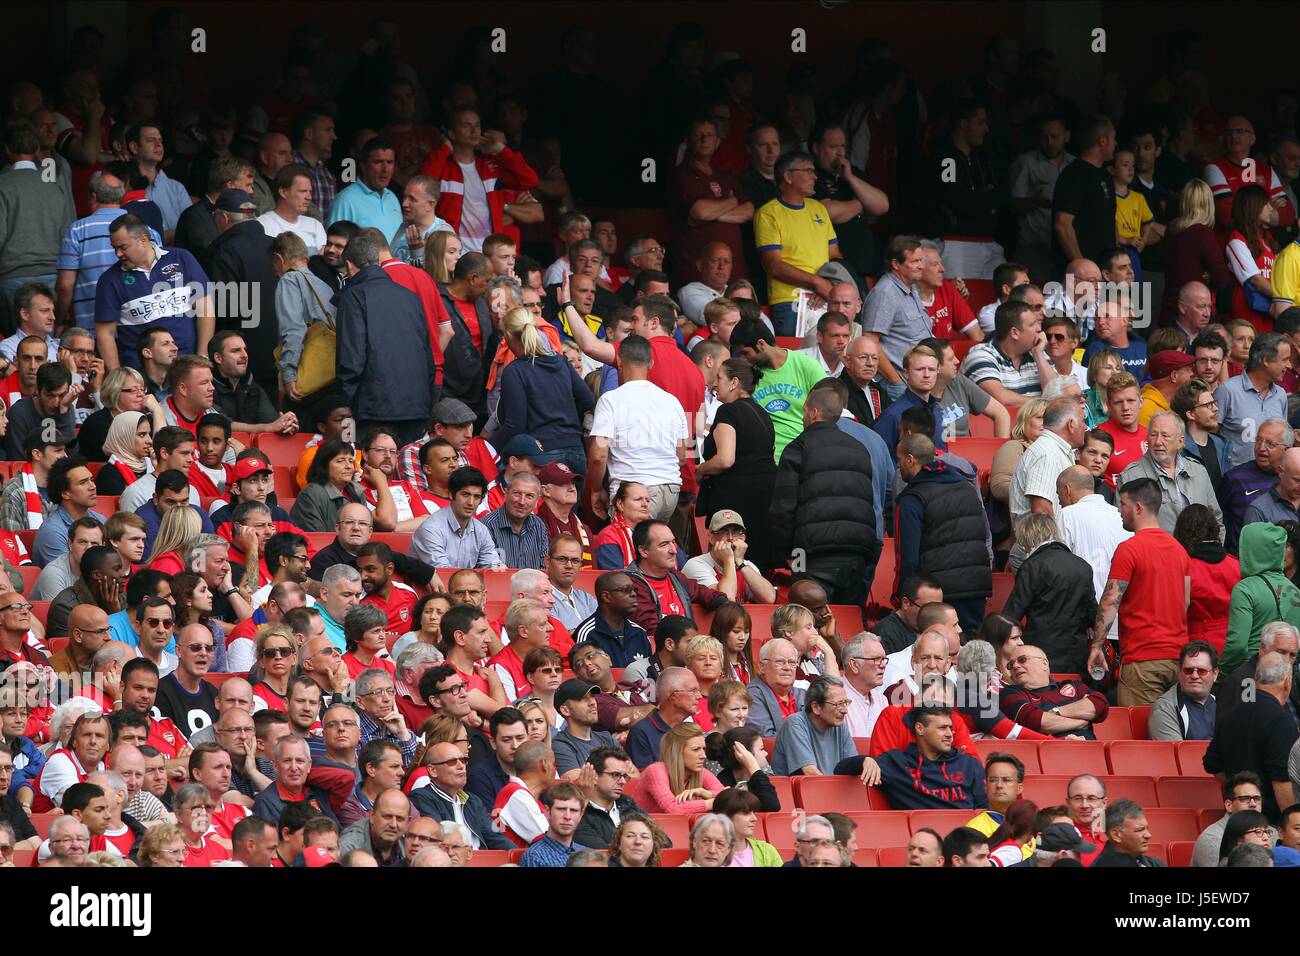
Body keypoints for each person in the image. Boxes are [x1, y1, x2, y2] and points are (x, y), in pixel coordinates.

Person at [771, 385, 878, 607]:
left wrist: (789, 554)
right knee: (847, 623)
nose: (803, 418)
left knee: (807, 621)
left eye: (804, 412)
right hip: (857, 553)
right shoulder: (859, 449)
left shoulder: (798, 447)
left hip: (810, 554)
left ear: (813, 413)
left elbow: (783, 507)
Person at [1092, 478, 1191, 705]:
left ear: (1138, 507)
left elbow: (1110, 601)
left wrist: (1097, 645)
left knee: (1139, 736)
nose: (1119, 510)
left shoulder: (1129, 550)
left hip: (1142, 660)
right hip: (1178, 659)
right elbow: (1185, 602)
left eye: (1123, 504)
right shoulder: (1180, 550)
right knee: (1170, 733)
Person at [334, 231, 436, 444]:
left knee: (371, 471)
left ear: (350, 265)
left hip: (373, 409)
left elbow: (352, 357)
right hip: (415, 405)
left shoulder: (353, 295)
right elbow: (427, 354)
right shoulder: (409, 296)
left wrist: (348, 401)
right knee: (408, 474)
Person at [895, 432, 992, 631]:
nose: (898, 466)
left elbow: (909, 557)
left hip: (937, 594)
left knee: (937, 652)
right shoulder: (966, 488)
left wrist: (903, 595)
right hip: (976, 586)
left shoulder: (912, 499)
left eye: (899, 460)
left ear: (910, 459)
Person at [1204, 652, 1299, 820]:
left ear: (1256, 678)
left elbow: (1212, 764)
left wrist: (1242, 792)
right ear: (1287, 681)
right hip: (1271, 825)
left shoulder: (1231, 714)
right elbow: (1282, 781)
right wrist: (1292, 826)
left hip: (1238, 819)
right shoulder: (1282, 720)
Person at [730, 316, 826, 461]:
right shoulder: (749, 376)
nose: (743, 359)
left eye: (745, 353)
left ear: (761, 344)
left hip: (806, 455)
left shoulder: (806, 365)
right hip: (767, 459)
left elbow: (827, 410)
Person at [854, 705, 986, 810]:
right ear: (920, 729)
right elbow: (841, 767)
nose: (949, 734)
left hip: (966, 837)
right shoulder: (897, 763)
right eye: (942, 728)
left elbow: (985, 809)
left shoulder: (969, 764)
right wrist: (865, 760)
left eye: (950, 728)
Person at [623, 520, 732, 637]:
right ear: (644, 551)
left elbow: (705, 594)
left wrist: (726, 605)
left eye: (673, 542)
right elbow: (653, 632)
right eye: (664, 544)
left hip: (687, 648)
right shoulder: (630, 584)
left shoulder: (676, 577)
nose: (673, 550)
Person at [1118, 412, 1222, 535]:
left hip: (1200, 553)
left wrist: (1211, 552)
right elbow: (1122, 529)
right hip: (1156, 553)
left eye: (1165, 436)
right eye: (1153, 435)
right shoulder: (1131, 476)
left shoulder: (1198, 471)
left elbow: (1216, 520)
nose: (1157, 442)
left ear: (1181, 442)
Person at [1223, 523, 1300, 680]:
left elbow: (1237, 645)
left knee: (1248, 704)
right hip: (1285, 677)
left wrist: (1220, 675)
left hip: (1250, 679)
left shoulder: (1245, 589)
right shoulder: (1295, 591)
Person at [1171, 505, 1238, 655]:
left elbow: (1178, 613)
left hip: (1197, 647)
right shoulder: (1236, 565)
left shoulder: (1185, 569)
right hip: (1233, 644)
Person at [1000, 645, 1109, 738]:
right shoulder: (1009, 694)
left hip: (1089, 752)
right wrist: (1081, 722)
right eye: (1010, 665)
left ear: (1044, 663)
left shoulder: (1073, 686)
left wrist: (1055, 712)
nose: (1015, 666)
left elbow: (1100, 705)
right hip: (1049, 753)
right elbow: (1038, 722)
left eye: (1022, 659)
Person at [1216, 332, 1291, 467]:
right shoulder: (1228, 391)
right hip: (1235, 481)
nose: (1289, 365)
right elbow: (1210, 437)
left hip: (1270, 482)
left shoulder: (1281, 395)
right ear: (1266, 360)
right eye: (1285, 359)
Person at [960, 301, 1052, 410]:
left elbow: (1056, 393)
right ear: (1014, 333)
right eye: (1032, 324)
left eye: (1038, 323)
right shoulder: (980, 355)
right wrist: (1047, 405)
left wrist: (1039, 356)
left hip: (1038, 425)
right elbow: (1001, 398)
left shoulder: (1037, 351)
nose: (1039, 329)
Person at [409, 467, 502, 570]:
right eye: (465, 494)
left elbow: (494, 568)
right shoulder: (431, 529)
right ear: (451, 494)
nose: (471, 502)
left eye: (476, 497)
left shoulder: (481, 530)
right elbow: (443, 574)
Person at [1220, 420, 1289, 552]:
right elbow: (1218, 520)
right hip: (1242, 562)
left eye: (1270, 443)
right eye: (1258, 440)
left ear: (1287, 448)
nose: (1261, 448)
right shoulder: (1235, 478)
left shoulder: (1292, 477)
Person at [770, 676, 857, 776]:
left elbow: (852, 766)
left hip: (829, 788)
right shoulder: (795, 724)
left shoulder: (839, 725)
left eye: (846, 703)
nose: (845, 710)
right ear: (816, 707)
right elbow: (811, 774)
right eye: (838, 704)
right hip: (800, 790)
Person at [639, 722, 724, 815]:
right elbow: (672, 808)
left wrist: (707, 793)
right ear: (677, 752)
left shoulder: (701, 772)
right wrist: (715, 802)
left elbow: (729, 796)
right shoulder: (655, 771)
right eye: (696, 749)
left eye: (704, 749)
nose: (703, 756)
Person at [625, 667, 700, 770]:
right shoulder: (641, 733)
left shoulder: (690, 730)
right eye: (693, 691)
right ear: (674, 695)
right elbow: (646, 779)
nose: (699, 696)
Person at [1191, 773, 1269, 867]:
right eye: (1245, 799)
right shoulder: (1212, 840)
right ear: (1229, 805)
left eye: (1257, 798)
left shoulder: (1271, 832)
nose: (1253, 804)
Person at [1147, 640, 1219, 741]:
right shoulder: (1165, 708)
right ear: (1180, 672)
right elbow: (1175, 754)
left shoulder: (1222, 704)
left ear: (1215, 674)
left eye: (1202, 671)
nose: (1194, 676)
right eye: (1188, 670)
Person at [518, 781, 588, 867]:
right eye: (561, 809)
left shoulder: (587, 855)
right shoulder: (535, 856)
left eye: (573, 810)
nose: (567, 816)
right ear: (547, 811)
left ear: (581, 815)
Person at [1091, 798, 1165, 867]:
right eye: (1139, 830)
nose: (1148, 835)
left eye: (1146, 829)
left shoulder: (1156, 863)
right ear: (1116, 835)